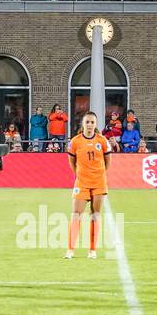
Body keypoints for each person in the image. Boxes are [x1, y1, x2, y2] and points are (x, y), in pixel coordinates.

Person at [65, 111, 111, 260]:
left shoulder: (102, 141)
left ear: (95, 124)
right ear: (83, 124)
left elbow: (107, 161)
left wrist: (99, 174)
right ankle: (70, 250)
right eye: (87, 122)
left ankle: (92, 250)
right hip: (82, 182)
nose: (90, 125)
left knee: (95, 214)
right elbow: (71, 161)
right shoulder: (75, 141)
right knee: (76, 214)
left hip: (98, 182)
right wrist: (79, 174)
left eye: (92, 122)